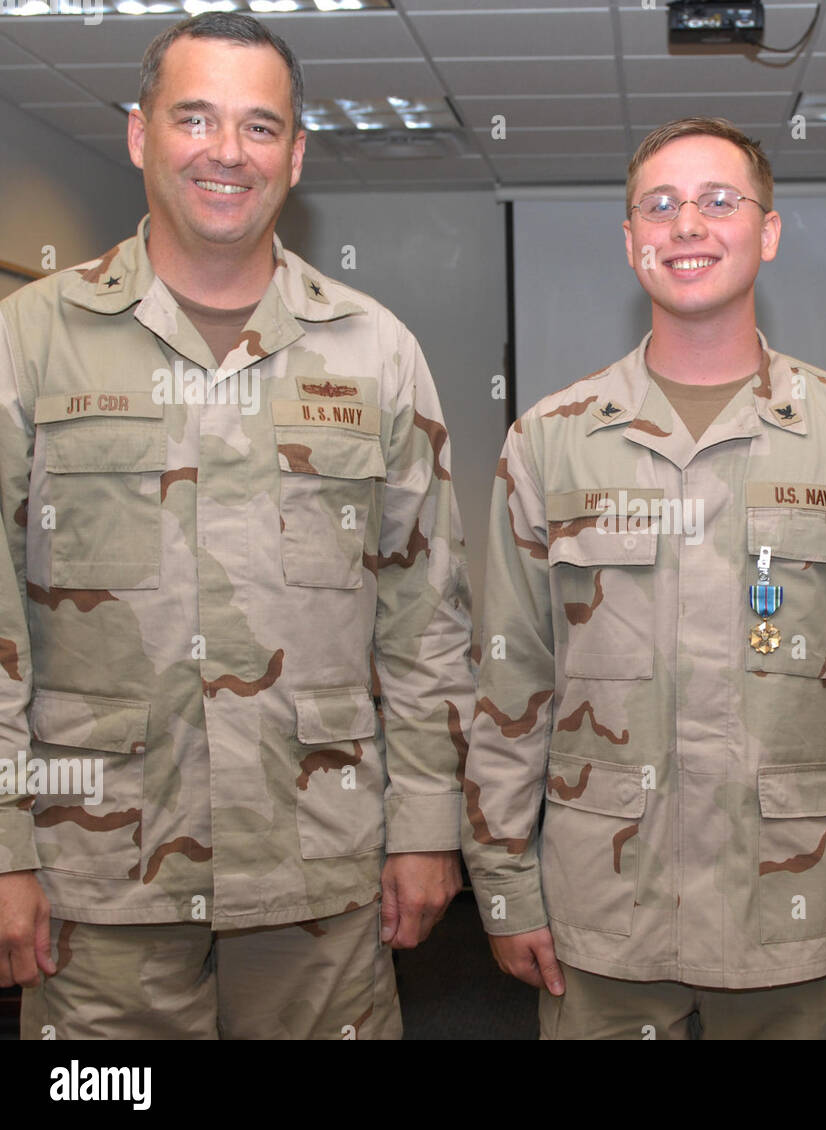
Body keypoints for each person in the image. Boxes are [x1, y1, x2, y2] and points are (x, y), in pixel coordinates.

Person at [0, 13, 475, 1039]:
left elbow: (426, 613)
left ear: (295, 156)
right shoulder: (32, 340)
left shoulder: (374, 351)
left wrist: (429, 824)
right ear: (139, 135)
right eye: (195, 118)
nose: (227, 151)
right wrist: (3, 846)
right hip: (97, 872)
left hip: (320, 864)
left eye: (260, 127)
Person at [461, 117, 826, 1039]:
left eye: (718, 201)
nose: (687, 224)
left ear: (768, 232)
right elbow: (510, 680)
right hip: (601, 915)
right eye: (660, 205)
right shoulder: (550, 440)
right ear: (630, 242)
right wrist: (502, 883)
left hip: (790, 907)